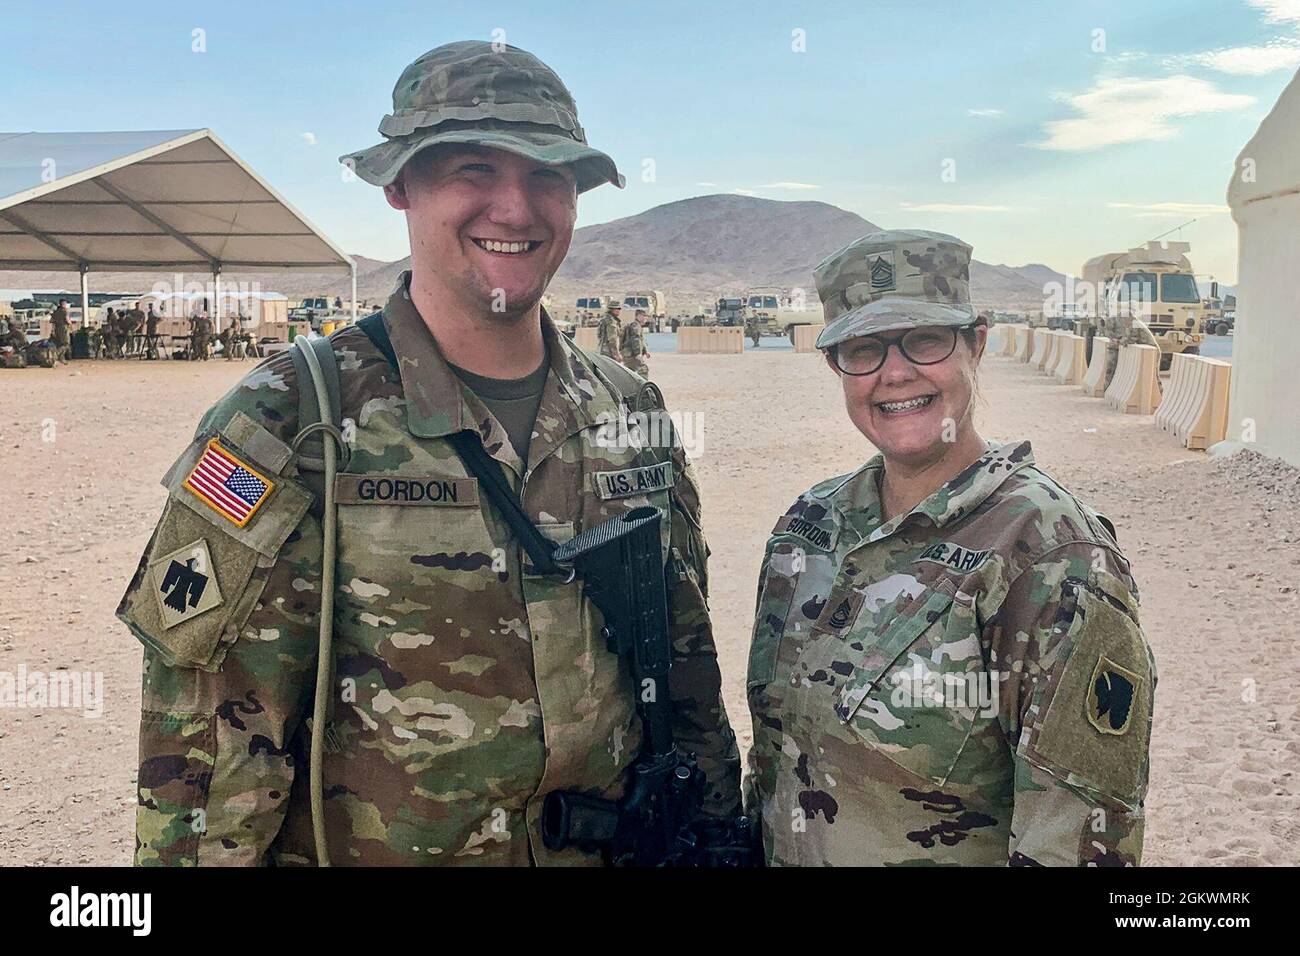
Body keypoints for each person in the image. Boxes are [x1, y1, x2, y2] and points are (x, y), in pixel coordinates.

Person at [118, 38, 739, 867]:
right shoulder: (293, 421)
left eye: (548, 175)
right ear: (399, 185)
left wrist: (724, 838)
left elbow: (685, 669)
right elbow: (207, 746)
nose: (515, 209)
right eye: (474, 170)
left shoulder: (631, 411)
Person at [745, 229, 1155, 866]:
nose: (896, 373)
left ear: (977, 344)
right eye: (864, 349)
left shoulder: (1048, 557)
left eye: (925, 340)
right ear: (837, 366)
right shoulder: (809, 527)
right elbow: (773, 759)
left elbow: (1078, 843)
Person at [620, 308, 650, 376]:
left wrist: (645, 351)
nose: (645, 318)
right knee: (643, 370)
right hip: (631, 354)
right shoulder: (636, 325)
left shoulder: (637, 325)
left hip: (628, 354)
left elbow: (640, 340)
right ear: (638, 316)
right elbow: (635, 339)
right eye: (643, 316)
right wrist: (638, 354)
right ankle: (642, 386)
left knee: (630, 372)